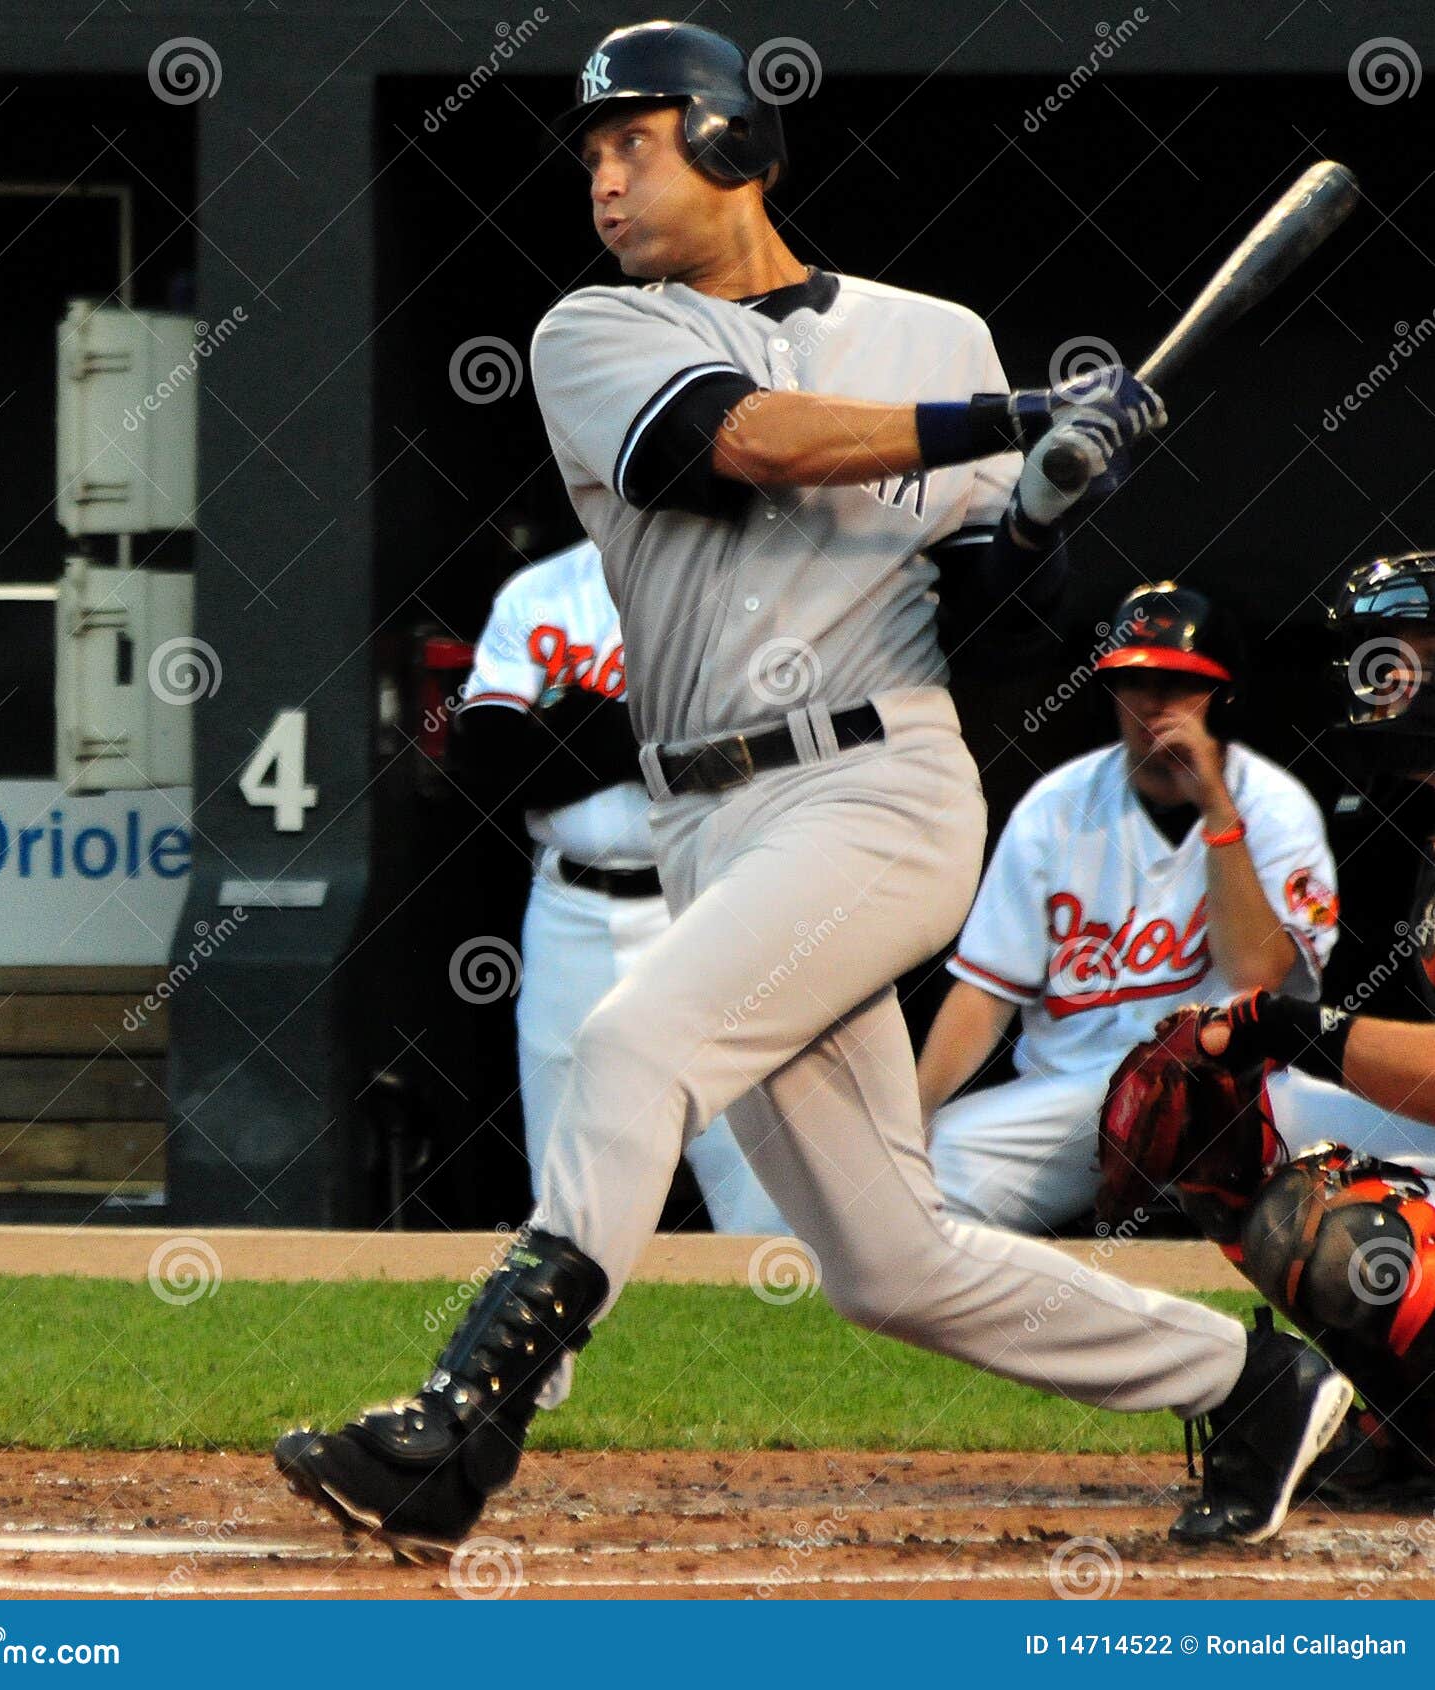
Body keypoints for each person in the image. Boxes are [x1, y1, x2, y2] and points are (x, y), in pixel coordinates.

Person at [275, 18, 1351, 1558]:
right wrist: (1012, 427)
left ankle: (465, 1419)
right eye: (590, 152)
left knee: (632, 1037)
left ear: (729, 142)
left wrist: (1040, 518)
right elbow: (751, 443)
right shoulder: (595, 333)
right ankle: (1248, 1380)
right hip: (708, 817)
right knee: (884, 1262)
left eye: (633, 140)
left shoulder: (935, 333)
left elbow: (989, 623)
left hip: (878, 794)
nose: (603, 178)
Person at [1098, 552, 1435, 1495]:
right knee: (1198, 1099)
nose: (1378, 669)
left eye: (1405, 643)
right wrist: (1254, 1036)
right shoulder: (1389, 813)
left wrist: (1288, 1025)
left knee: (1348, 1237)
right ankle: (1401, 1420)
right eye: (1370, 645)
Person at [919, 581, 1341, 1233]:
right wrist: (908, 1114)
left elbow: (1254, 975)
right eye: (1135, 683)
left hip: (1234, 1095)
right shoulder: (1054, 807)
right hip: (1071, 1110)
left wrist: (1216, 815)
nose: (1154, 705)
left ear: (1221, 697)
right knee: (930, 1164)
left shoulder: (1275, 808)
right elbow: (983, 992)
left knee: (1397, 1149)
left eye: (1178, 684)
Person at [453, 533, 786, 1233]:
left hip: (705, 901)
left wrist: (571, 727)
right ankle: (566, 1336)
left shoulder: (743, 586)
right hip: (567, 907)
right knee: (563, 1174)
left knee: (750, 1168)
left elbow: (750, 760)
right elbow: (486, 765)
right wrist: (647, 730)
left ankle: (768, 1330)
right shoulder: (540, 592)